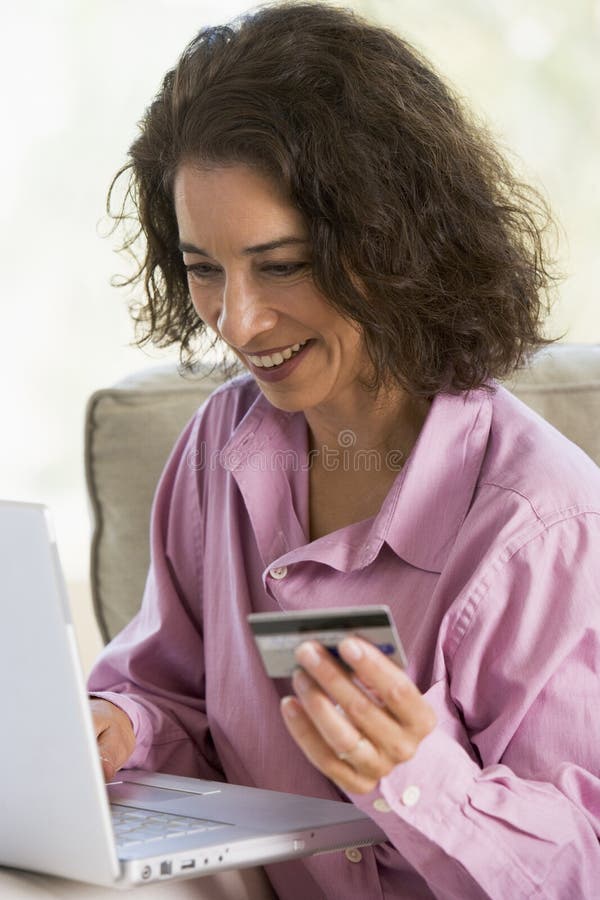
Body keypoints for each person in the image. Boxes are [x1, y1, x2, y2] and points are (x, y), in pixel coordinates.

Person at [88, 2, 600, 897]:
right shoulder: (220, 449)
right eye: (205, 267)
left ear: (392, 243)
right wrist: (117, 723)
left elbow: (584, 863)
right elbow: (172, 697)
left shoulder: (544, 528)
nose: (238, 322)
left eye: (280, 264)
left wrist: (418, 775)